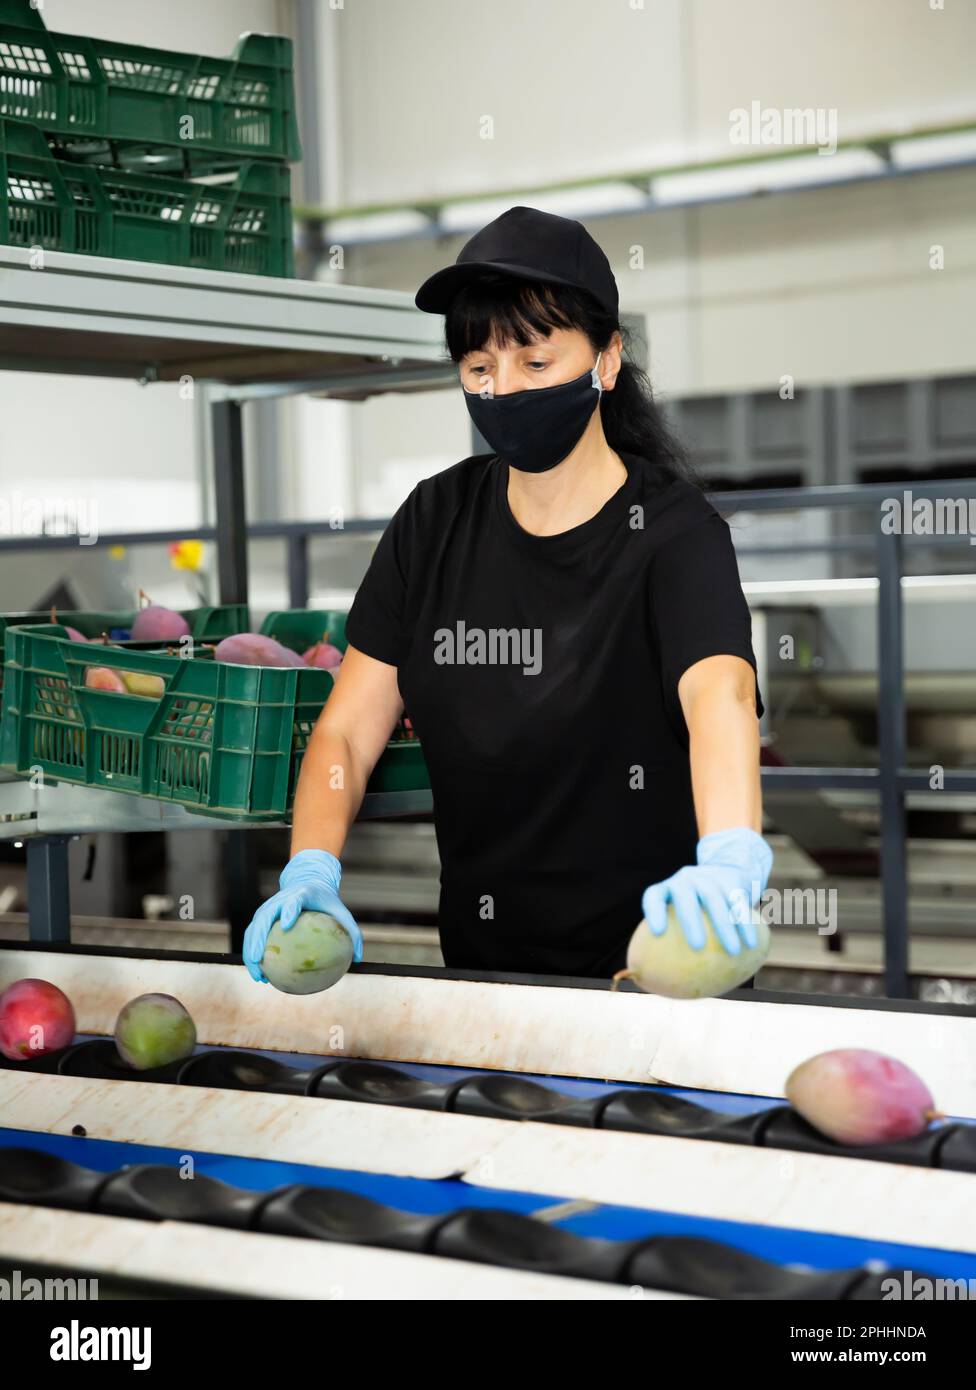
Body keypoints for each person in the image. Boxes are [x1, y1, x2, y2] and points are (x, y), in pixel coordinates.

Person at [243, 205, 773, 983]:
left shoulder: (672, 532)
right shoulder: (433, 523)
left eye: (535, 362)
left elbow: (719, 695)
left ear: (607, 359)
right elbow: (349, 733)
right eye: (479, 369)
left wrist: (729, 858)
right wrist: (311, 869)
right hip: (485, 967)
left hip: (658, 963)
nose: (503, 390)